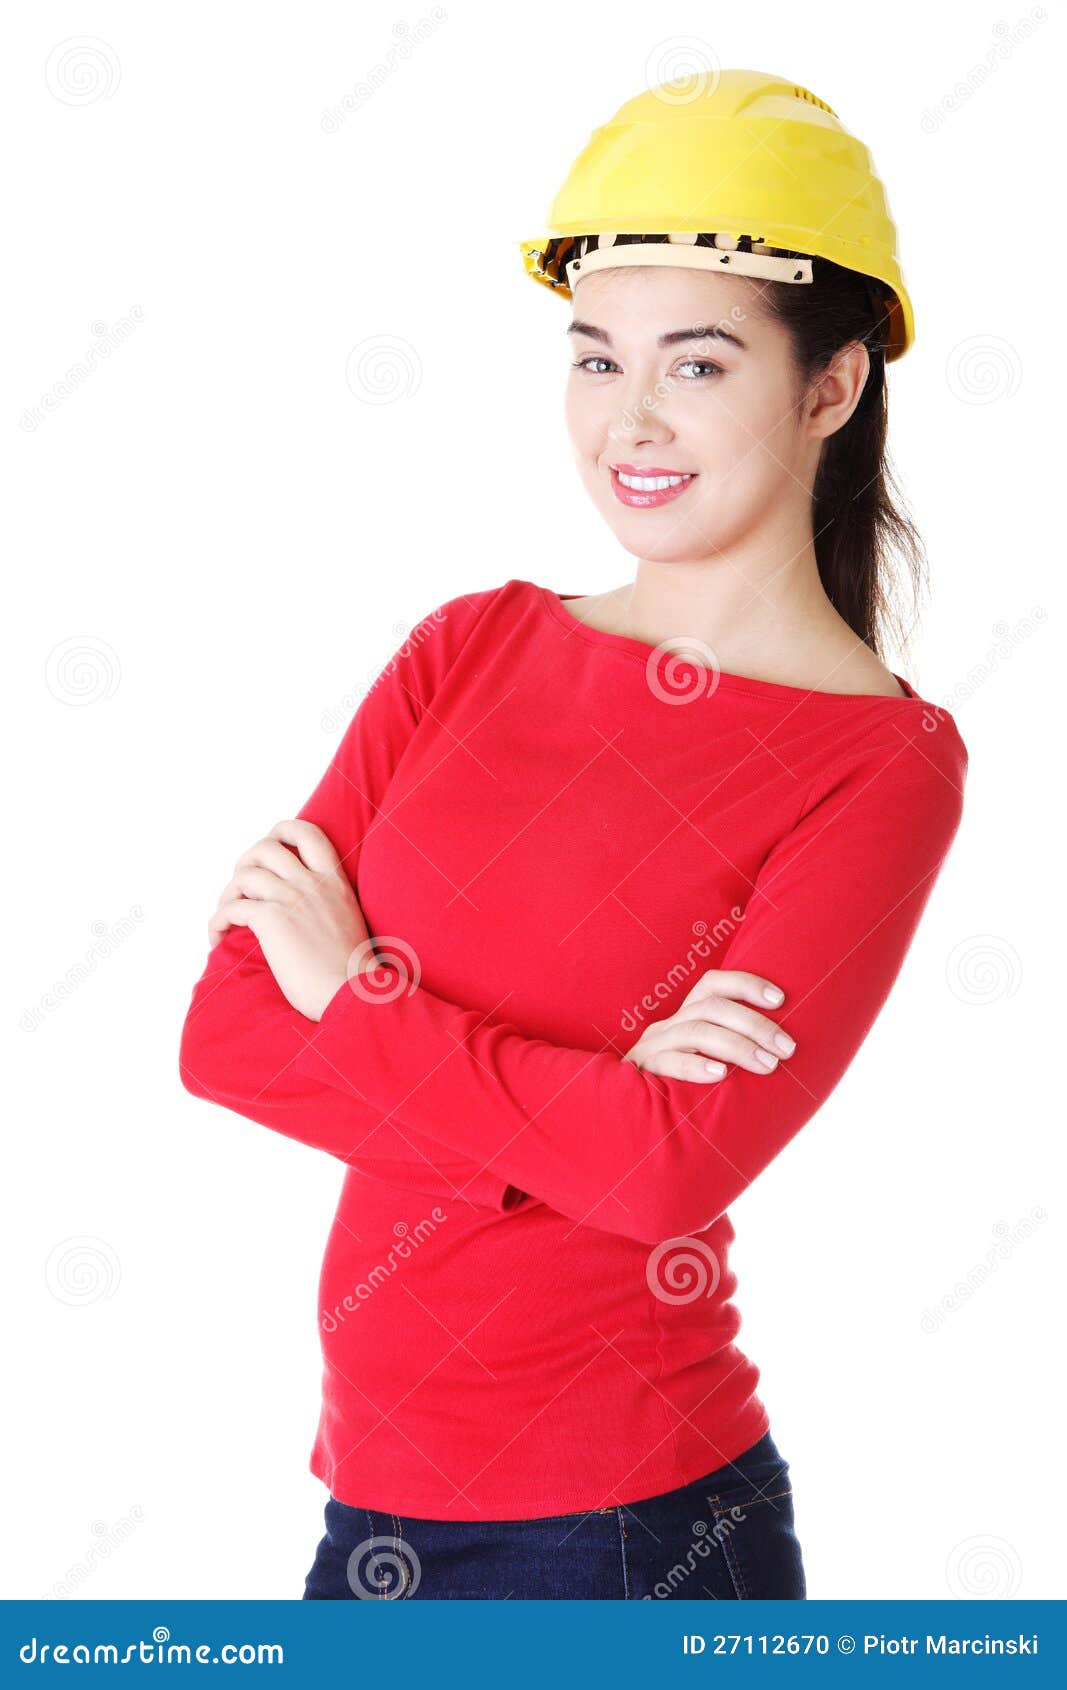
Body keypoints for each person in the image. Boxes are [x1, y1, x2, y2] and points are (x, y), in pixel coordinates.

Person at [178, 69, 968, 1600]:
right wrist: (588, 1109)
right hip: (370, 1508)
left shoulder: (880, 764)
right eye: (595, 358)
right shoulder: (466, 649)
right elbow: (222, 1034)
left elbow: (672, 1174)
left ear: (832, 384)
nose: (631, 419)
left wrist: (357, 990)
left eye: (696, 361)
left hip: (637, 1533)